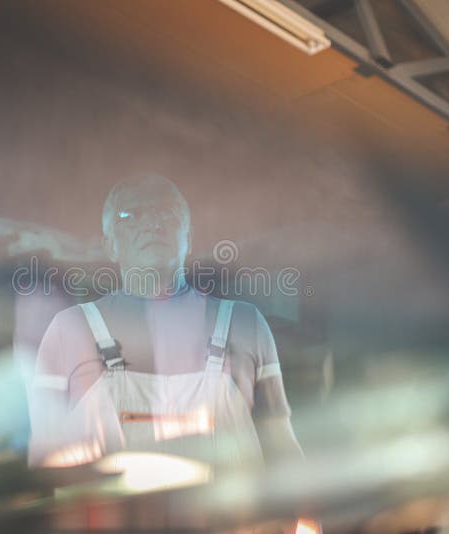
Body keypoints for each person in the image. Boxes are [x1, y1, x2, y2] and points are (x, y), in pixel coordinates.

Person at [26, 174, 303, 471]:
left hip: (234, 516)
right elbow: (45, 458)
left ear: (189, 237)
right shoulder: (69, 331)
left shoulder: (245, 325)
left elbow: (281, 447)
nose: (152, 224)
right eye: (130, 215)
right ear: (110, 245)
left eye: (166, 213)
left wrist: (306, 512)